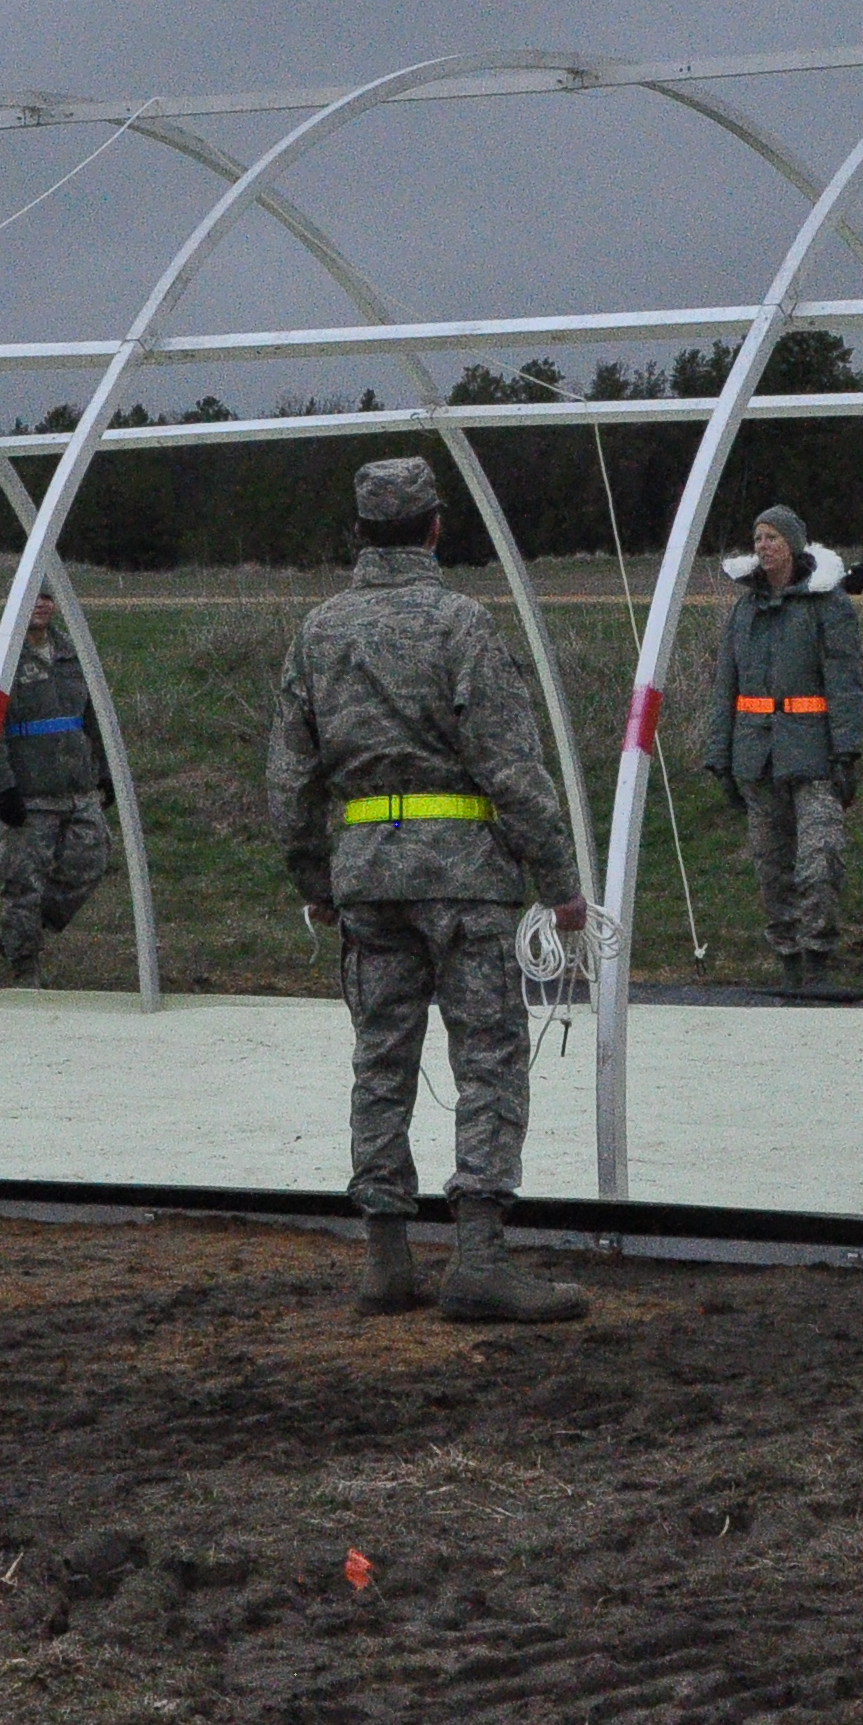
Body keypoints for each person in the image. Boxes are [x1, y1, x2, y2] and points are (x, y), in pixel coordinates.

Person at [267, 454, 592, 1324]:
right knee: (486, 1058)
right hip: (465, 881)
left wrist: (316, 878)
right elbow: (512, 766)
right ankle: (479, 1256)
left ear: (362, 534)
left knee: (381, 1061)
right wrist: (561, 882)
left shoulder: (318, 633)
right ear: (436, 528)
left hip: (366, 878)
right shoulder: (462, 625)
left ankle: (386, 1257)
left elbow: (288, 779)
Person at [702, 503, 863, 989]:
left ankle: (818, 951)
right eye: (757, 538)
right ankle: (788, 957)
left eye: (772, 538)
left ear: (792, 545)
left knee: (819, 860)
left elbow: (845, 682)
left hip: (813, 757)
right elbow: (725, 687)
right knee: (771, 868)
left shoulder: (829, 607)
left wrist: (847, 752)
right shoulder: (744, 611)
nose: (763, 546)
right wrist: (721, 758)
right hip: (756, 757)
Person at [0, 600, 113, 983]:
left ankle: (23, 933)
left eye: (48, 597)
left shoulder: (74, 654)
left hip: (77, 789)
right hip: (28, 795)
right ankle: (24, 969)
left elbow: (94, 717)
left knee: (92, 859)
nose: (41, 605)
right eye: (32, 597)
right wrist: (4, 789)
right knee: (24, 884)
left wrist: (105, 771)